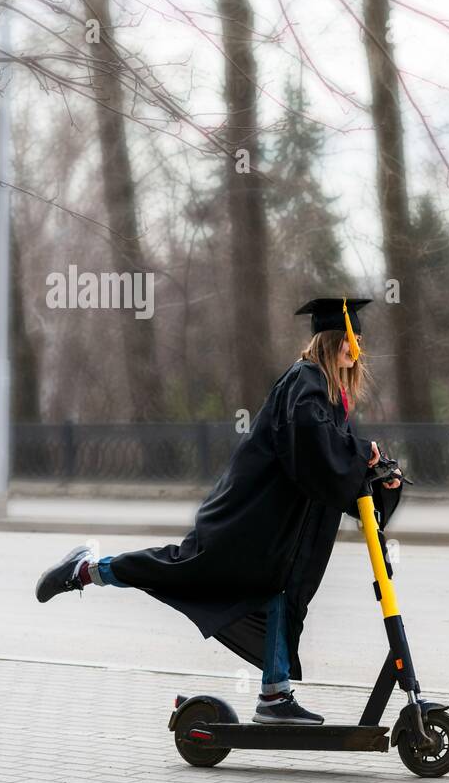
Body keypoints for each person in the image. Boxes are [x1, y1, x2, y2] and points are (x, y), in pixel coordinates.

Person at [34, 297, 401, 725]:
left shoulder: (331, 394)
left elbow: (331, 453)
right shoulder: (305, 381)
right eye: (348, 338)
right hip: (247, 518)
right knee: (181, 568)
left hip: (276, 528)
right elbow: (312, 445)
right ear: (333, 341)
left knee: (280, 590)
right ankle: (87, 569)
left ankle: (274, 696)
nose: (354, 347)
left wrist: (376, 476)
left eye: (356, 340)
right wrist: (360, 457)